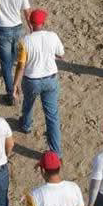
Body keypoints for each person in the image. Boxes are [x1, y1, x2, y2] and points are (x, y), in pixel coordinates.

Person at [14, 9, 65, 153]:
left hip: (32, 80)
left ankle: (26, 125)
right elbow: (61, 54)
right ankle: (56, 152)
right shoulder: (52, 36)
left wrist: (15, 84)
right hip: (51, 79)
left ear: (30, 23)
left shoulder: (25, 41)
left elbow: (21, 65)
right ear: (43, 23)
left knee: (28, 104)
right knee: (52, 116)